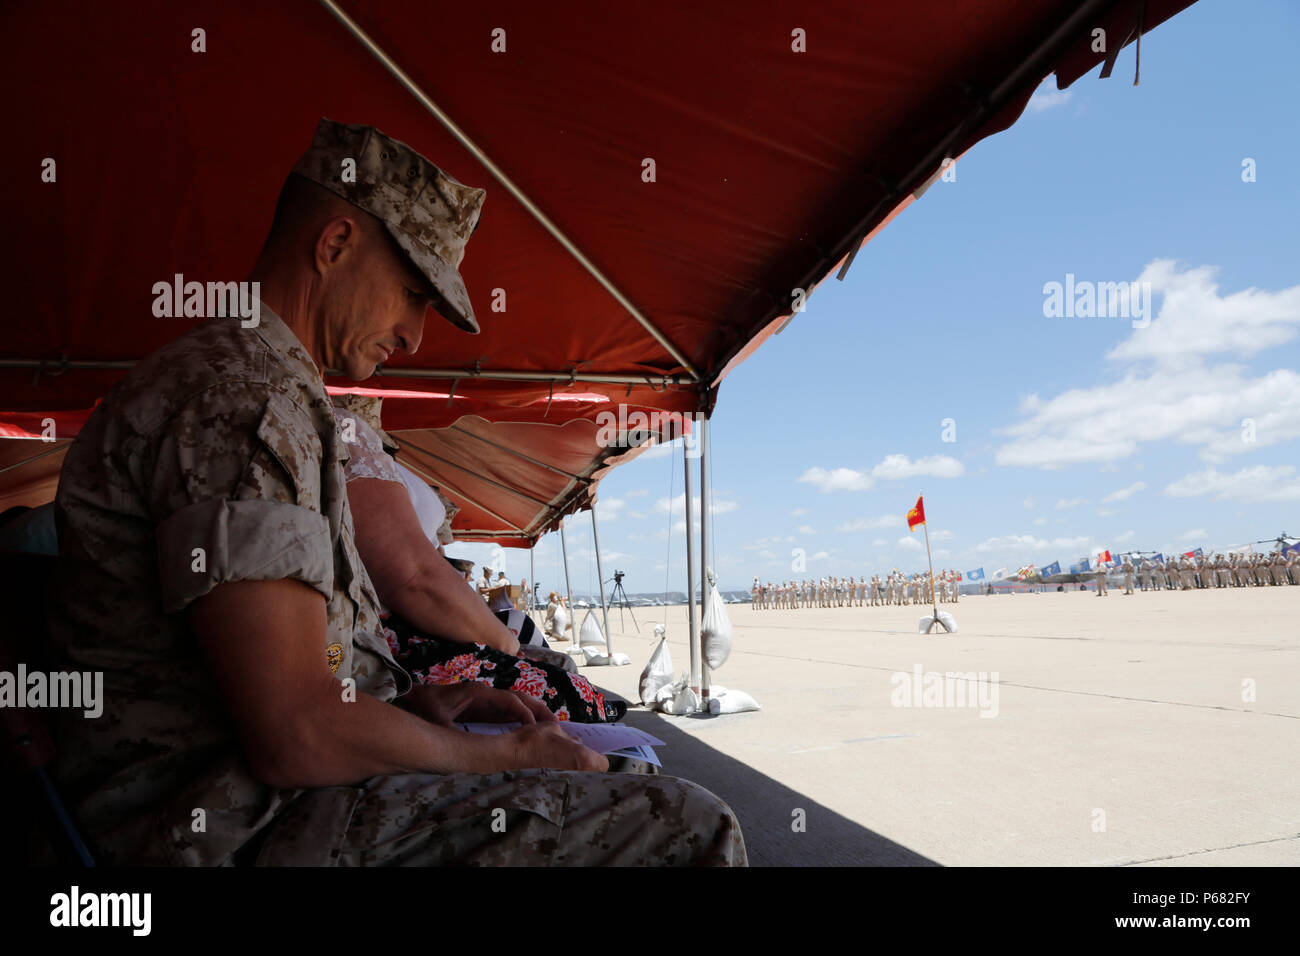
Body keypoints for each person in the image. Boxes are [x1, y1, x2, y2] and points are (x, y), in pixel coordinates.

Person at [45, 118, 744, 867]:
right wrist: (497, 756)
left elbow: (291, 690)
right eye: (412, 291)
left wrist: (410, 711)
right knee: (685, 824)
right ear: (335, 244)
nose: (414, 334)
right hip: (226, 825)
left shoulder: (263, 389)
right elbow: (295, 733)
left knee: (611, 772)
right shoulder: (238, 400)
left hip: (249, 796)